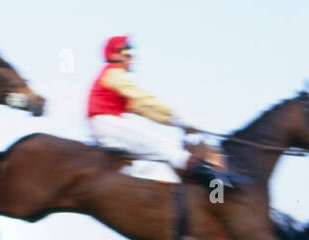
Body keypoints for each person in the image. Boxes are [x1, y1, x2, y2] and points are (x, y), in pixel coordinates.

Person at [86, 36, 242, 188]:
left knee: (159, 161)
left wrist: (178, 124)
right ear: (114, 55)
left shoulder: (114, 78)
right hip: (108, 124)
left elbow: (145, 109)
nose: (131, 57)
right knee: (166, 146)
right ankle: (210, 177)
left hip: (106, 126)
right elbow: (145, 99)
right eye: (127, 52)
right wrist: (181, 120)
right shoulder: (114, 74)